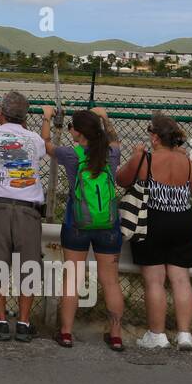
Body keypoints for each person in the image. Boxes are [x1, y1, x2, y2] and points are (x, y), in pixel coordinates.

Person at [42, 106, 128, 349]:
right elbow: (115, 139)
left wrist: (47, 118)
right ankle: (116, 335)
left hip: (76, 223)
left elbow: (45, 143)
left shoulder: (71, 154)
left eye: (71, 127)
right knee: (110, 281)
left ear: (77, 132)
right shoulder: (112, 153)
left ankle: (66, 333)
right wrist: (106, 116)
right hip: (109, 225)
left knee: (73, 278)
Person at [116, 113, 192, 350]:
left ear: (155, 137)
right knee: (181, 279)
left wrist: (135, 156)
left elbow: (121, 180)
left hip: (152, 219)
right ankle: (184, 334)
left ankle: (157, 334)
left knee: (155, 280)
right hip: (183, 220)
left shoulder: (146, 160)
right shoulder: (188, 162)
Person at [0, 91, 46, 343]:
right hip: (28, 210)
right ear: (25, 116)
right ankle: (24, 322)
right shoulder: (34, 139)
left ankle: (1, 320)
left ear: (0, 113)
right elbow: (41, 147)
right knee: (29, 265)